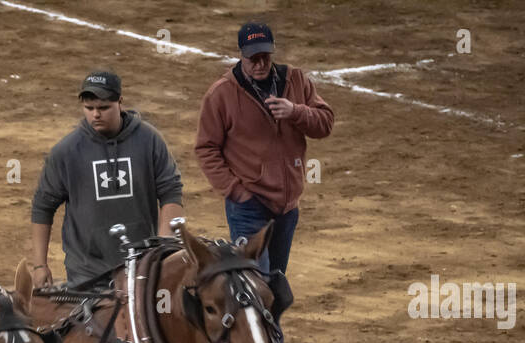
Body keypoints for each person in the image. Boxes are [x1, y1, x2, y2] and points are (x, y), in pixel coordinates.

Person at [195, 21, 334, 276]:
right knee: (256, 283)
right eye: (253, 58)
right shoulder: (222, 94)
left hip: (287, 207)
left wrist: (296, 111)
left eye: (264, 57)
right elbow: (206, 148)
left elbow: (325, 125)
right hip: (248, 206)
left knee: (276, 284)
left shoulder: (295, 80)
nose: (259, 64)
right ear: (241, 55)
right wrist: (235, 191)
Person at [30, 70, 185, 289]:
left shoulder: (149, 140)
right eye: (89, 108)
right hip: (87, 271)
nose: (96, 115)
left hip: (142, 265)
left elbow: (170, 190)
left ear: (120, 102)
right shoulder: (67, 151)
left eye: (103, 108)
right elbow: (42, 207)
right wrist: (39, 265)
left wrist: (163, 245)